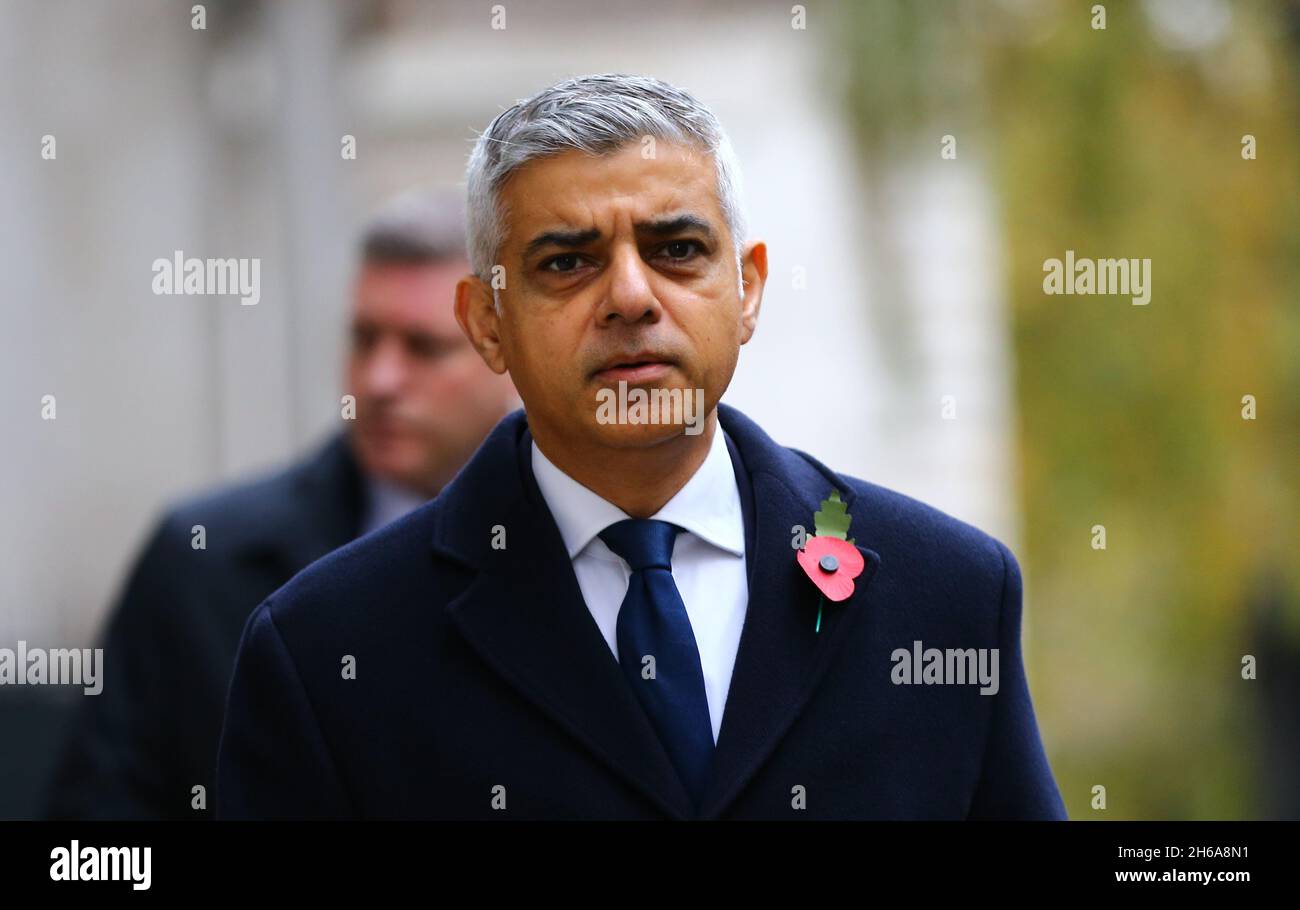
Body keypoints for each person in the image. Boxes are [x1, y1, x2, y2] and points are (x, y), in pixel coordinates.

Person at [217, 73, 1067, 820]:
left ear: (748, 289)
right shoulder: (329, 652)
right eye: (566, 263)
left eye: (677, 250)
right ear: (487, 323)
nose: (630, 296)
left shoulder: (945, 595)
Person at [44, 191, 518, 819]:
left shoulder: (595, 547)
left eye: (423, 348)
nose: (378, 381)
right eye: (364, 338)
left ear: (502, 349)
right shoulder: (203, 557)